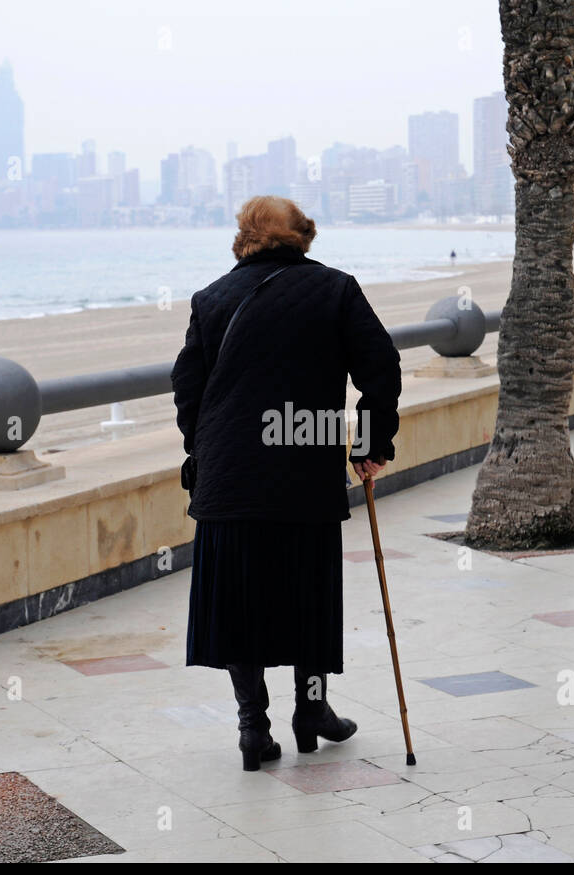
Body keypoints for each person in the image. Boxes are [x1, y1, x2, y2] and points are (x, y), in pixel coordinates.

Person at [171, 195, 401, 771]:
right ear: (302, 236)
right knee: (309, 596)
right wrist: (370, 444)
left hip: (229, 479)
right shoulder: (336, 290)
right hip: (304, 470)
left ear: (244, 237)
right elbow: (382, 367)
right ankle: (311, 711)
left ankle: (254, 730)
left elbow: (187, 388)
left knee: (237, 604)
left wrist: (201, 450)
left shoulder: (211, 299)